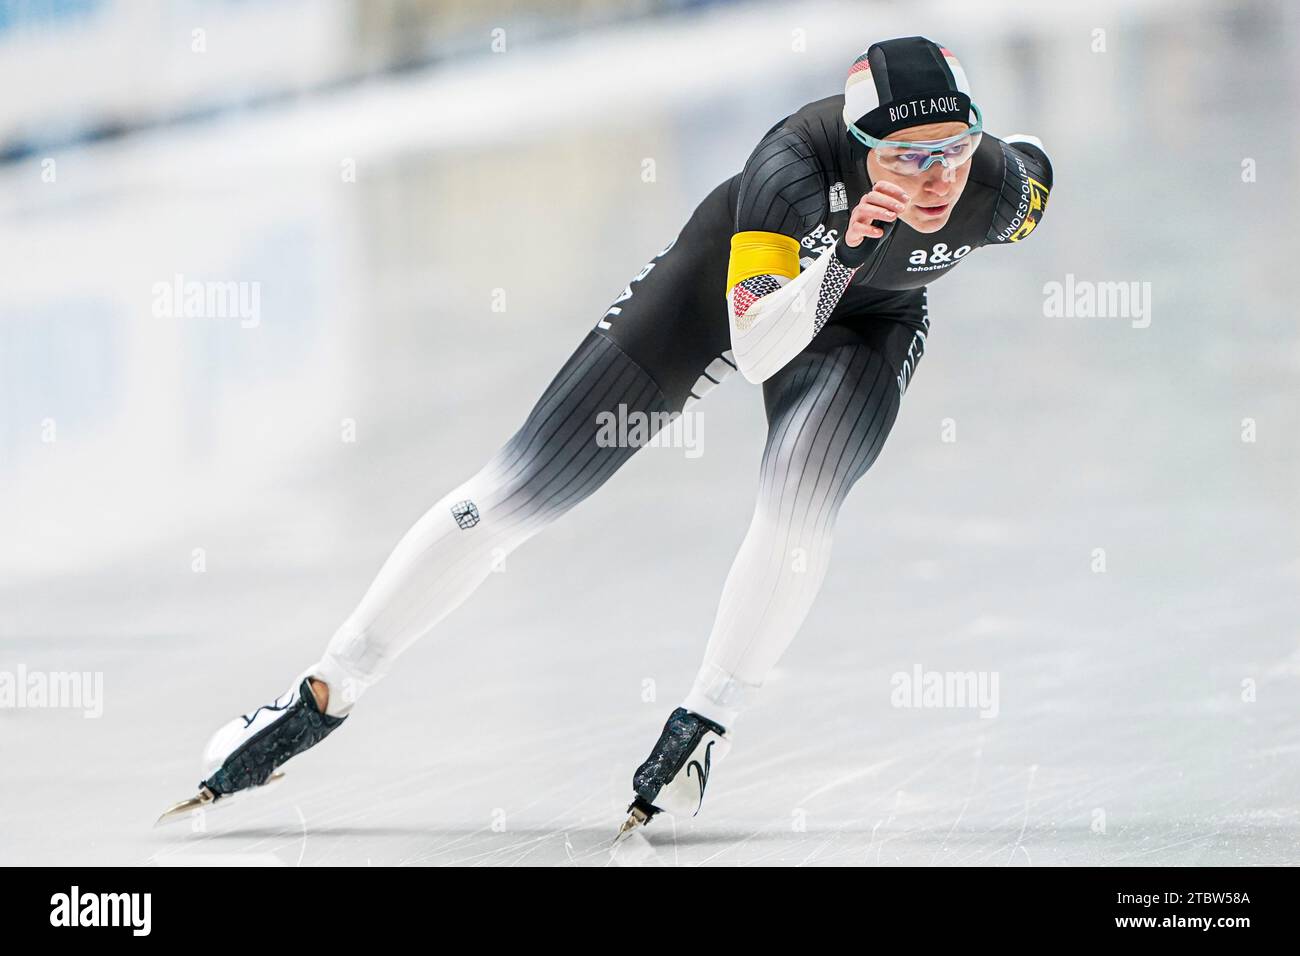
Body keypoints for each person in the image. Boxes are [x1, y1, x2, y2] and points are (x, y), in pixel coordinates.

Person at [159, 36, 1052, 839]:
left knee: (799, 502)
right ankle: (322, 692)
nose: (935, 179)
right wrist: (844, 257)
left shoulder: (1001, 187)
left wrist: (870, 265)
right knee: (512, 494)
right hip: (723, 296)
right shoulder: (789, 168)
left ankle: (706, 721)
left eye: (952, 151)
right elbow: (759, 347)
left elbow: (1031, 176)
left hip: (870, 327)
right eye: (906, 158)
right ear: (862, 150)